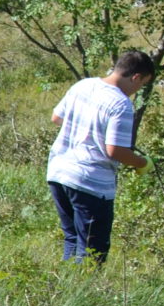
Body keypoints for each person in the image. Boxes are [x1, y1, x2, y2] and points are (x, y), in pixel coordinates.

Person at [46, 50, 154, 263]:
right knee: (92, 251)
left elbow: (56, 117)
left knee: (73, 239)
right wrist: (142, 163)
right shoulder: (120, 104)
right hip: (89, 182)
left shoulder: (84, 85)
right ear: (136, 77)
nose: (137, 90)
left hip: (59, 173)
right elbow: (115, 150)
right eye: (141, 85)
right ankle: (84, 293)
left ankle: (66, 289)